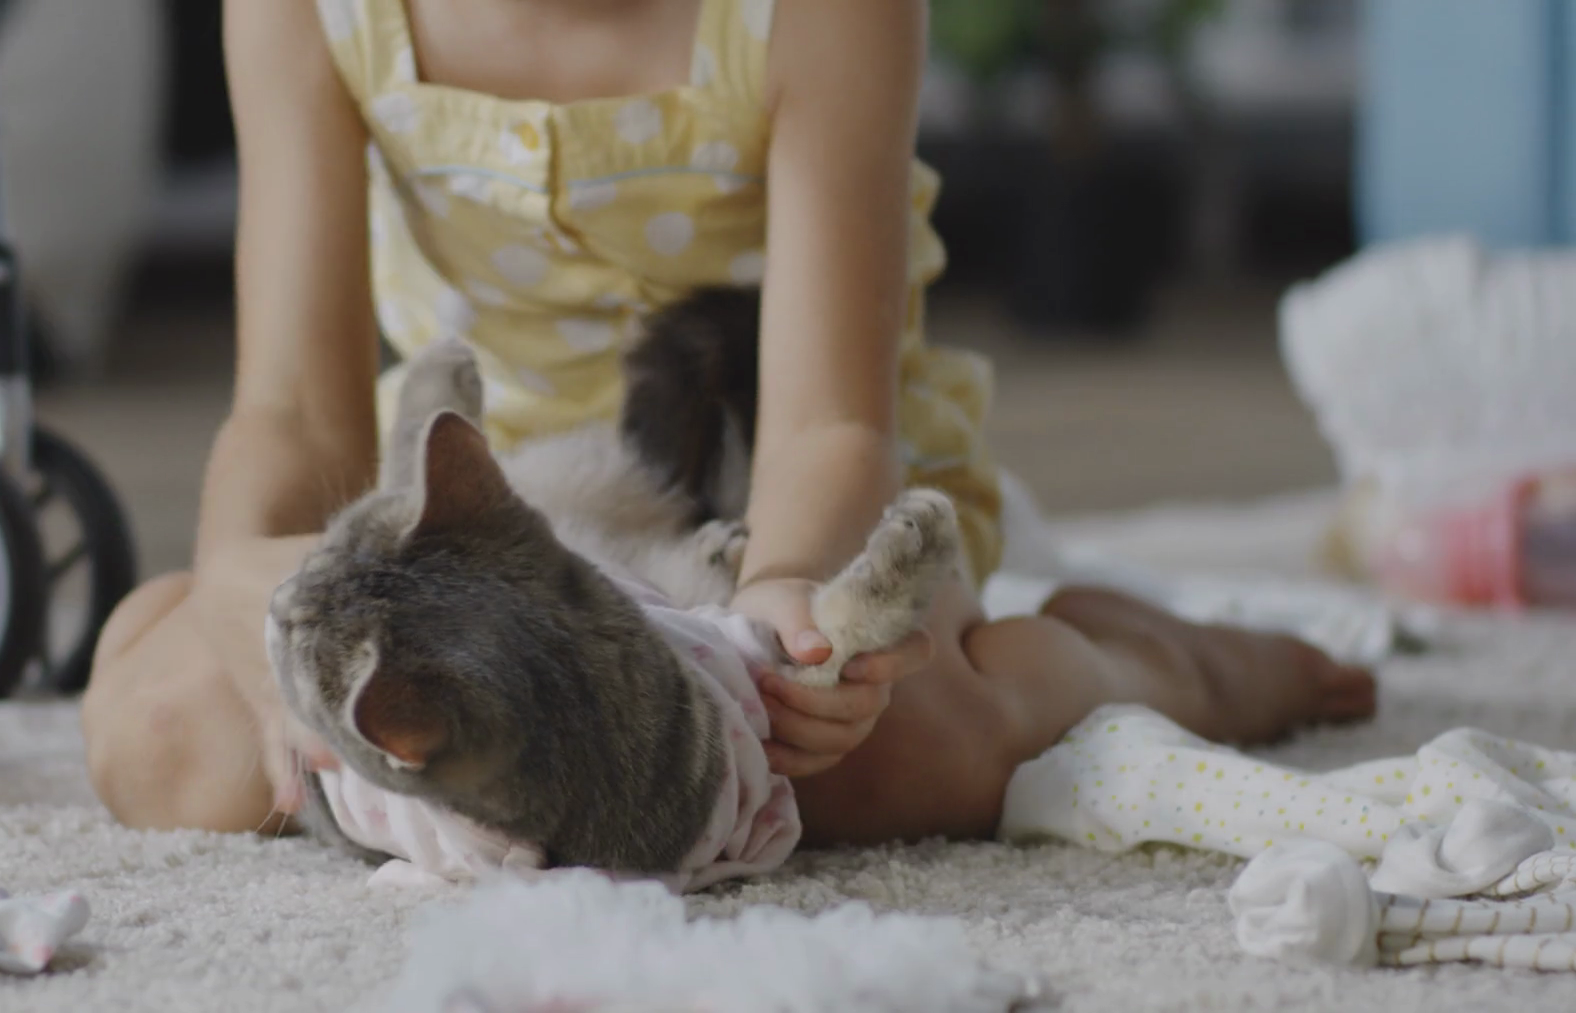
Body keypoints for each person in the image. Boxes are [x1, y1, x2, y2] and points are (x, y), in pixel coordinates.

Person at [80, 0, 1377, 847]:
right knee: (159, 740)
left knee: (893, 763)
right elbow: (295, 410)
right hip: (489, 508)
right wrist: (247, 603)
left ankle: (1151, 661)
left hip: (775, 494)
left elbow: (831, 428)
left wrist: (785, 609)